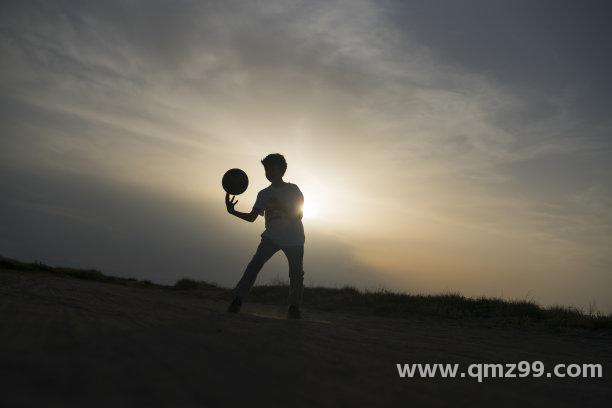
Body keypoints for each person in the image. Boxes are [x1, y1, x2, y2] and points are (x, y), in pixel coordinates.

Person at [225, 153, 305, 319]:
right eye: (266, 169)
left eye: (272, 168)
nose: (268, 172)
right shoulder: (263, 194)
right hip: (271, 237)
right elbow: (252, 218)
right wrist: (232, 212)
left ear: (282, 170)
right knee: (254, 266)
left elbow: (298, 216)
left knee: (296, 274)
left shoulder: (293, 190)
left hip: (294, 239)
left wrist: (281, 205)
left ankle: (294, 307)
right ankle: (237, 301)